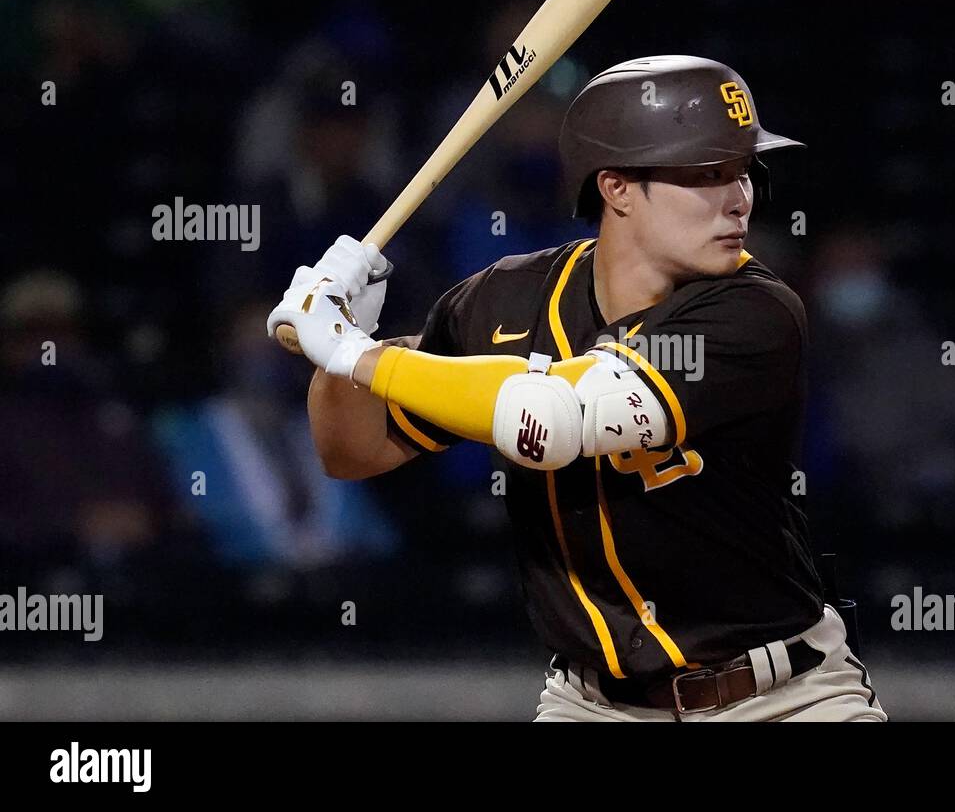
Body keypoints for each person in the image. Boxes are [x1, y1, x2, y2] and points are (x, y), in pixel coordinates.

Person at [267, 56, 885, 721]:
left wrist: (354, 351)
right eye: (705, 174)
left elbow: (553, 419)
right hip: (592, 704)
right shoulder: (504, 299)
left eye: (741, 170)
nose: (739, 197)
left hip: (779, 696)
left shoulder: (755, 312)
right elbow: (351, 451)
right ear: (617, 188)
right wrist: (341, 349)